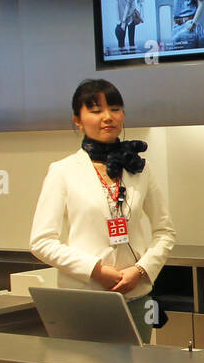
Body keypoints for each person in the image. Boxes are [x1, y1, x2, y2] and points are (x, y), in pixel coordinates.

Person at [29, 78, 176, 342]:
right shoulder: (63, 171)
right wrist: (95, 269)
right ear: (78, 119)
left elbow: (165, 232)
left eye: (115, 109)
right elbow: (41, 242)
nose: (108, 117)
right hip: (85, 299)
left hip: (136, 296)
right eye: (96, 111)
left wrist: (141, 270)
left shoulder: (139, 169)